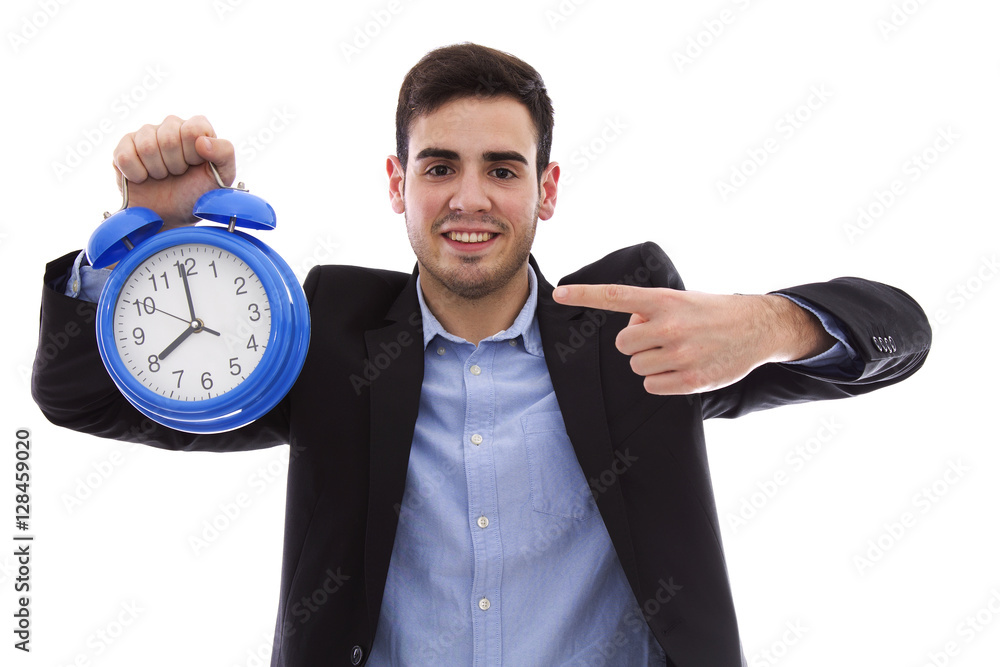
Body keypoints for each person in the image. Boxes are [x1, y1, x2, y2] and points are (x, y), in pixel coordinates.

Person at [32, 43, 931, 667]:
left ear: (545, 188)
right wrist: (155, 248)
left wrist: (768, 323)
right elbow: (83, 396)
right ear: (397, 184)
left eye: (502, 169)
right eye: (438, 167)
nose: (471, 198)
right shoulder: (332, 333)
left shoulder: (636, 333)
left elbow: (904, 332)